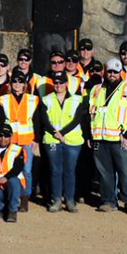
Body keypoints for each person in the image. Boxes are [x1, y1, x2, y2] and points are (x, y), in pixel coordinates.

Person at [90, 59, 127, 214]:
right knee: (105, 173)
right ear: (105, 72)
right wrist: (90, 136)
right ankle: (108, 201)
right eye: (110, 71)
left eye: (115, 72)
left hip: (120, 139)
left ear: (121, 73)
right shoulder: (96, 89)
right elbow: (90, 113)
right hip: (100, 138)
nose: (112, 74)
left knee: (126, 172)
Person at [37, 72, 90, 213]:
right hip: (52, 139)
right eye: (56, 82)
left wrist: (63, 133)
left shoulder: (77, 99)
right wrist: (56, 133)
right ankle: (56, 200)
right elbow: (44, 119)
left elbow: (77, 119)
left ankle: (70, 200)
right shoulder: (46, 99)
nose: (58, 85)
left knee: (70, 171)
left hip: (72, 140)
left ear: (66, 83)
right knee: (55, 171)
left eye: (61, 82)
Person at [0, 68, 40, 212]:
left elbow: (36, 121)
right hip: (10, 141)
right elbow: (0, 121)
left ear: (25, 84)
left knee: (27, 170)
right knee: (9, 169)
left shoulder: (33, 99)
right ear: (10, 84)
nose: (17, 84)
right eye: (14, 81)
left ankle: (25, 197)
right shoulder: (3, 99)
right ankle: (9, 196)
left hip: (27, 140)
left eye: (20, 81)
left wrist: (36, 139)